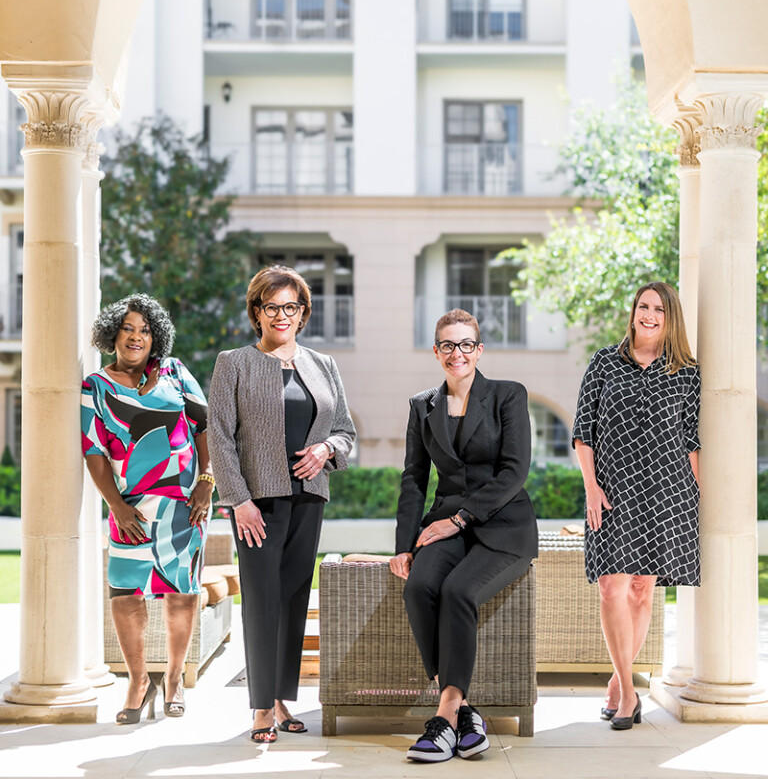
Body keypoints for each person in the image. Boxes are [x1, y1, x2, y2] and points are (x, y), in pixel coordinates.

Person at [207, 264, 356, 743]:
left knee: (293, 599)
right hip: (257, 505)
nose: (282, 315)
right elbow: (221, 438)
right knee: (261, 600)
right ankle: (259, 709)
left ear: (303, 312)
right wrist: (238, 502)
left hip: (308, 499)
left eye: (291, 306)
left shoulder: (323, 365)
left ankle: (281, 698)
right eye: (272, 307)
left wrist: (326, 450)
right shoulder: (234, 362)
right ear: (257, 312)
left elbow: (346, 432)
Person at [389, 309, 537, 763]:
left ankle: (444, 716)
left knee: (457, 590)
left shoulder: (507, 396)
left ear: (479, 349)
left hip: (503, 526)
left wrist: (459, 520)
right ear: (436, 352)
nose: (458, 354)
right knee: (419, 588)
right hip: (445, 523)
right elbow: (414, 478)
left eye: (466, 344)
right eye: (448, 346)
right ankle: (465, 713)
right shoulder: (422, 405)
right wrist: (402, 544)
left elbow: (515, 470)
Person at [572, 281, 700, 731]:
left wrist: (695, 504)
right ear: (633, 312)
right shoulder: (605, 362)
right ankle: (629, 693)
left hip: (669, 493)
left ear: (670, 320)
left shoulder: (687, 372)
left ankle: (617, 683)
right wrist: (591, 488)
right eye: (643, 306)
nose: (648, 315)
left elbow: (691, 443)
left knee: (643, 590)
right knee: (611, 587)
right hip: (613, 491)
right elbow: (583, 430)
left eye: (659, 310)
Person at [81, 293, 212, 724]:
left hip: (183, 505)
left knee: (181, 593)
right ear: (113, 335)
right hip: (131, 508)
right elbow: (94, 450)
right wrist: (115, 506)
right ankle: (138, 682)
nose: (137, 337)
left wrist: (206, 482)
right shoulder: (96, 386)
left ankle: (173, 678)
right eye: (128, 328)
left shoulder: (174, 371)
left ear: (156, 337)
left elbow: (205, 426)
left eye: (145, 330)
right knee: (125, 593)